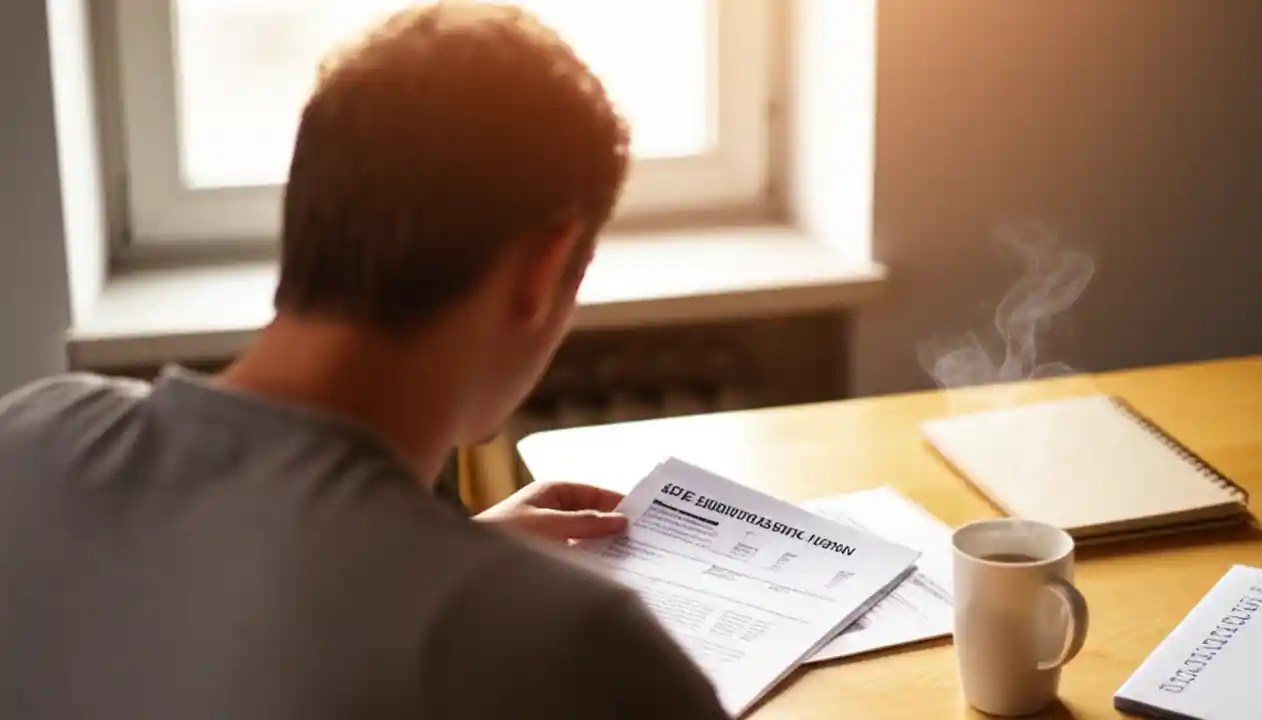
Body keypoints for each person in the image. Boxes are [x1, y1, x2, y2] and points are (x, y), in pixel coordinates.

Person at [0, 5, 727, 719]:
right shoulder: (573, 652)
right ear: (543, 272)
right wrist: (463, 580)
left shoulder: (29, 437)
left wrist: (451, 555)